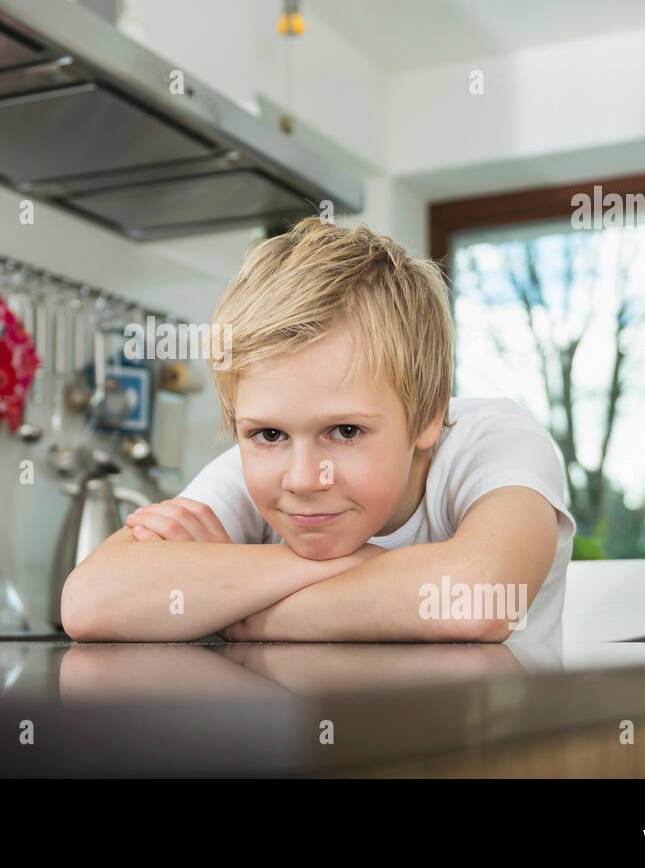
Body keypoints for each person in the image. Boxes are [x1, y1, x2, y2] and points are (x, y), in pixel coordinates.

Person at [60, 217, 575, 644]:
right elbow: (89, 601)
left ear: (427, 418)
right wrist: (348, 568)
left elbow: (478, 600)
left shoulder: (493, 442)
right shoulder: (258, 468)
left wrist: (238, 604)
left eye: (346, 431)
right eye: (266, 435)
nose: (303, 479)